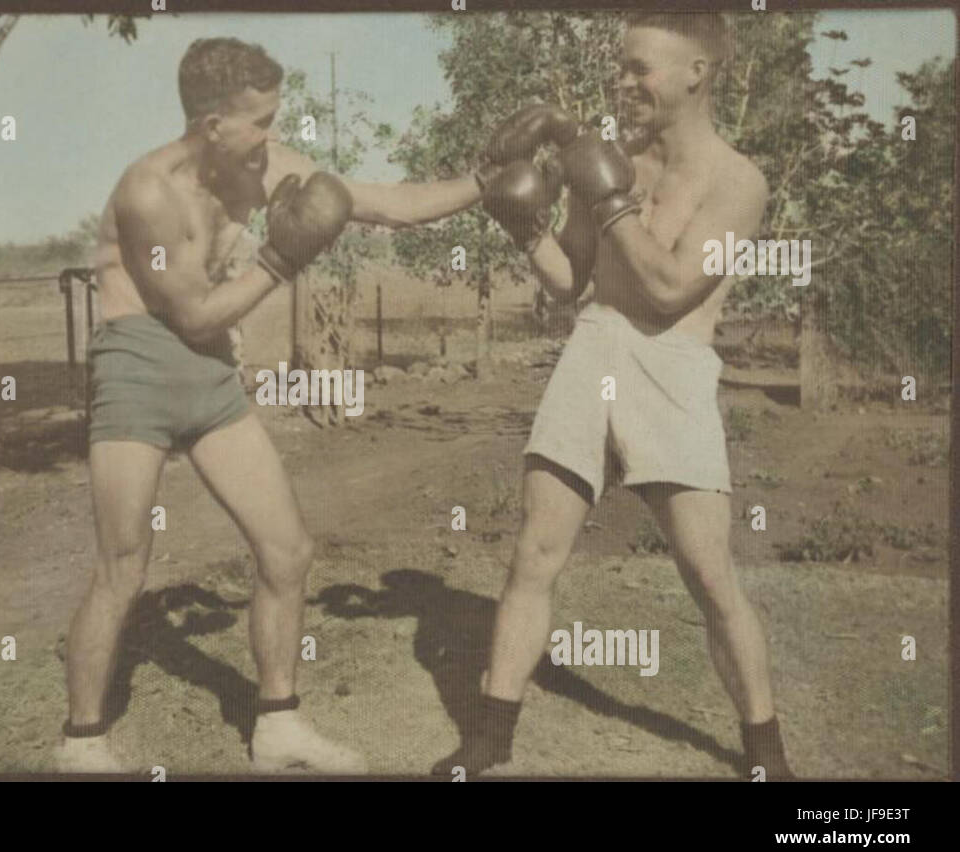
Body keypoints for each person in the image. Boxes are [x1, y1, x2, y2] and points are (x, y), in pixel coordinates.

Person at [59, 37, 491, 774]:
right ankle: (81, 743)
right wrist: (281, 257)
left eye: (273, 117)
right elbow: (191, 314)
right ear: (211, 125)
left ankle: (279, 724)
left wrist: (487, 179)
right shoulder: (148, 193)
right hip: (136, 365)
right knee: (124, 565)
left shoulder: (259, 163)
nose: (272, 135)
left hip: (209, 372)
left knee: (287, 550)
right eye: (259, 120)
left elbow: (386, 206)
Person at [434, 12, 796, 780]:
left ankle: (767, 754)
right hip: (594, 341)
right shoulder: (612, 160)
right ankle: (491, 734)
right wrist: (524, 225)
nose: (623, 83)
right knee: (534, 550)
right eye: (621, 68)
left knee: (708, 575)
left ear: (697, 71)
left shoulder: (740, 183)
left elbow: (668, 290)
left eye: (641, 69)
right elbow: (572, 282)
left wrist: (607, 195)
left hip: (673, 363)